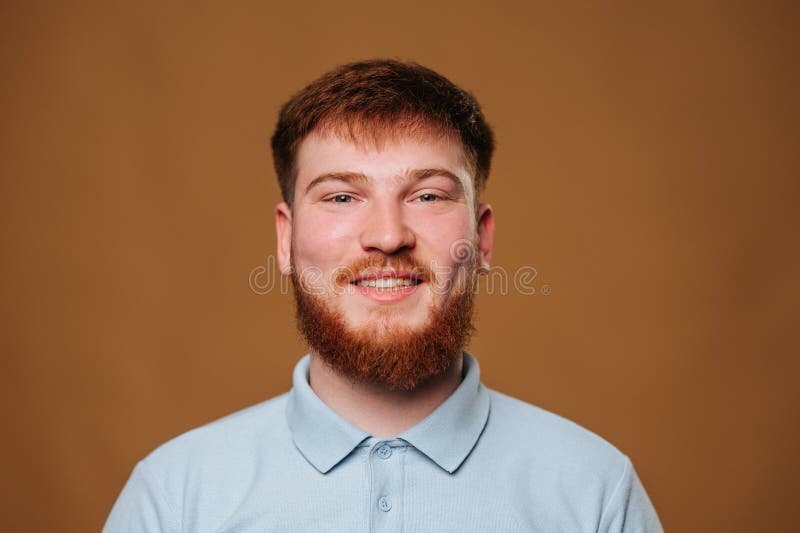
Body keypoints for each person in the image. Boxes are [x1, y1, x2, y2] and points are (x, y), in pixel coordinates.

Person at [104, 59, 663, 532]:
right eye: (343, 197)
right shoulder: (174, 498)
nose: (389, 235)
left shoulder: (596, 493)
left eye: (427, 195)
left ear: (482, 236)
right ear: (285, 237)